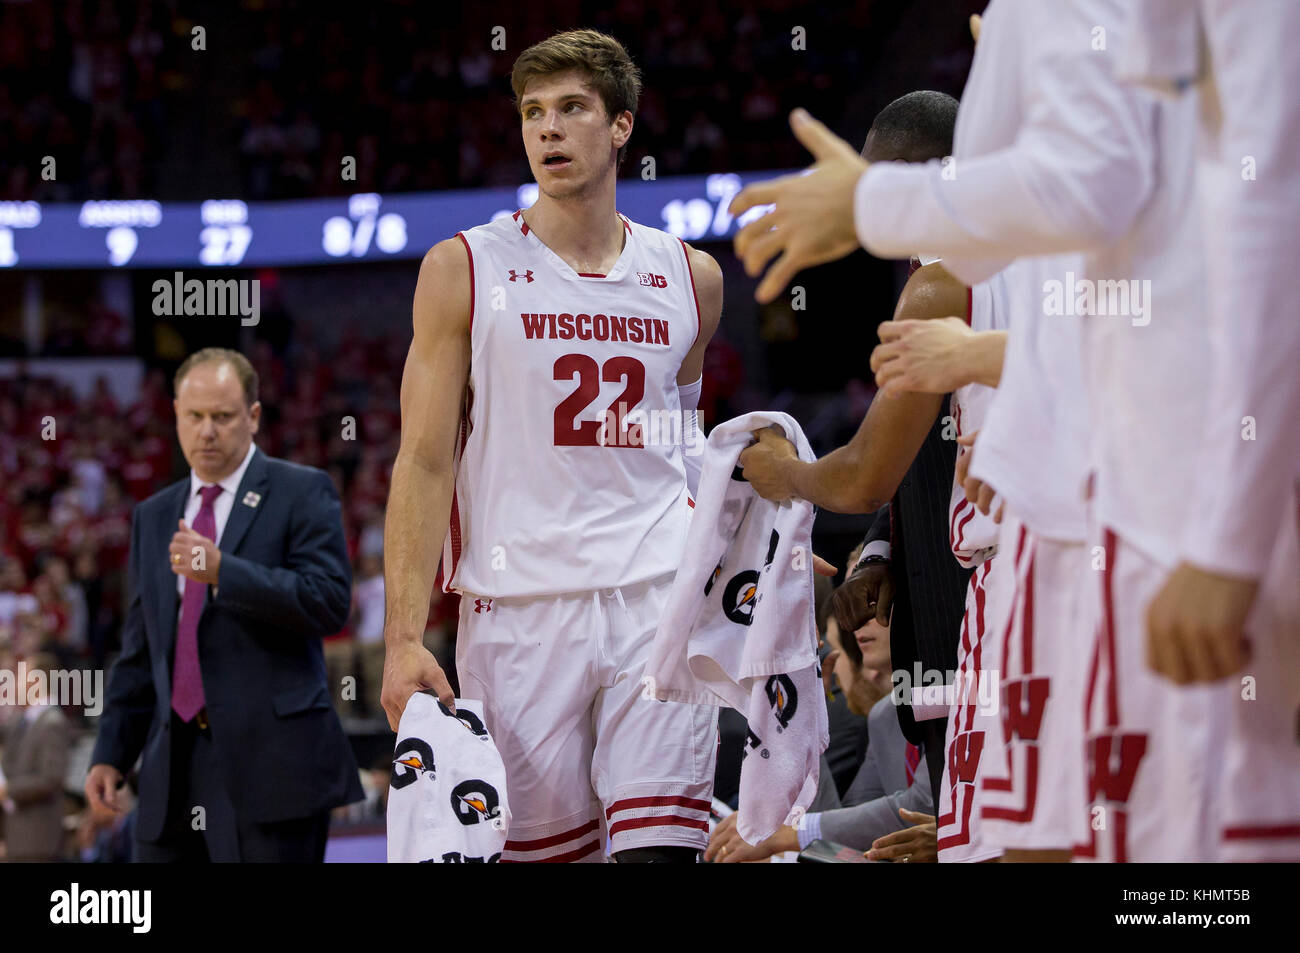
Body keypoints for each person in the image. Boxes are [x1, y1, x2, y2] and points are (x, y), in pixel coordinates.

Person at [380, 29, 725, 863]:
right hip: (521, 609)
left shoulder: (692, 277)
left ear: (621, 127)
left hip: (656, 596)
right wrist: (401, 637)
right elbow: (423, 461)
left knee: (662, 851)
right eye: (533, 112)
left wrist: (749, 535)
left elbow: (686, 447)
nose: (548, 129)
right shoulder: (464, 267)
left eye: (572, 108)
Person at [736, 91, 974, 813]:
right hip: (968, 610)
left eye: (873, 183)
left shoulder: (942, 285)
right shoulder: (1000, 267)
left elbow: (869, 471)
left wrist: (784, 475)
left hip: (989, 615)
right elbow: (921, 461)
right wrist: (879, 553)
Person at [85, 348, 363, 862]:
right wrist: (111, 753)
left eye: (222, 416)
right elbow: (140, 653)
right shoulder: (154, 515)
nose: (206, 431)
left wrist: (222, 572)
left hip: (273, 772)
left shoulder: (301, 491)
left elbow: (328, 603)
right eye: (194, 416)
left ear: (253, 417)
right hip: (172, 773)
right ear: (174, 415)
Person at [0, 652, 70, 862]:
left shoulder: (52, 722)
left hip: (38, 840)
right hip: (18, 838)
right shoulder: (24, 719)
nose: (16, 682)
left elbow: (51, 778)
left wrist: (8, 790)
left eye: (21, 676)